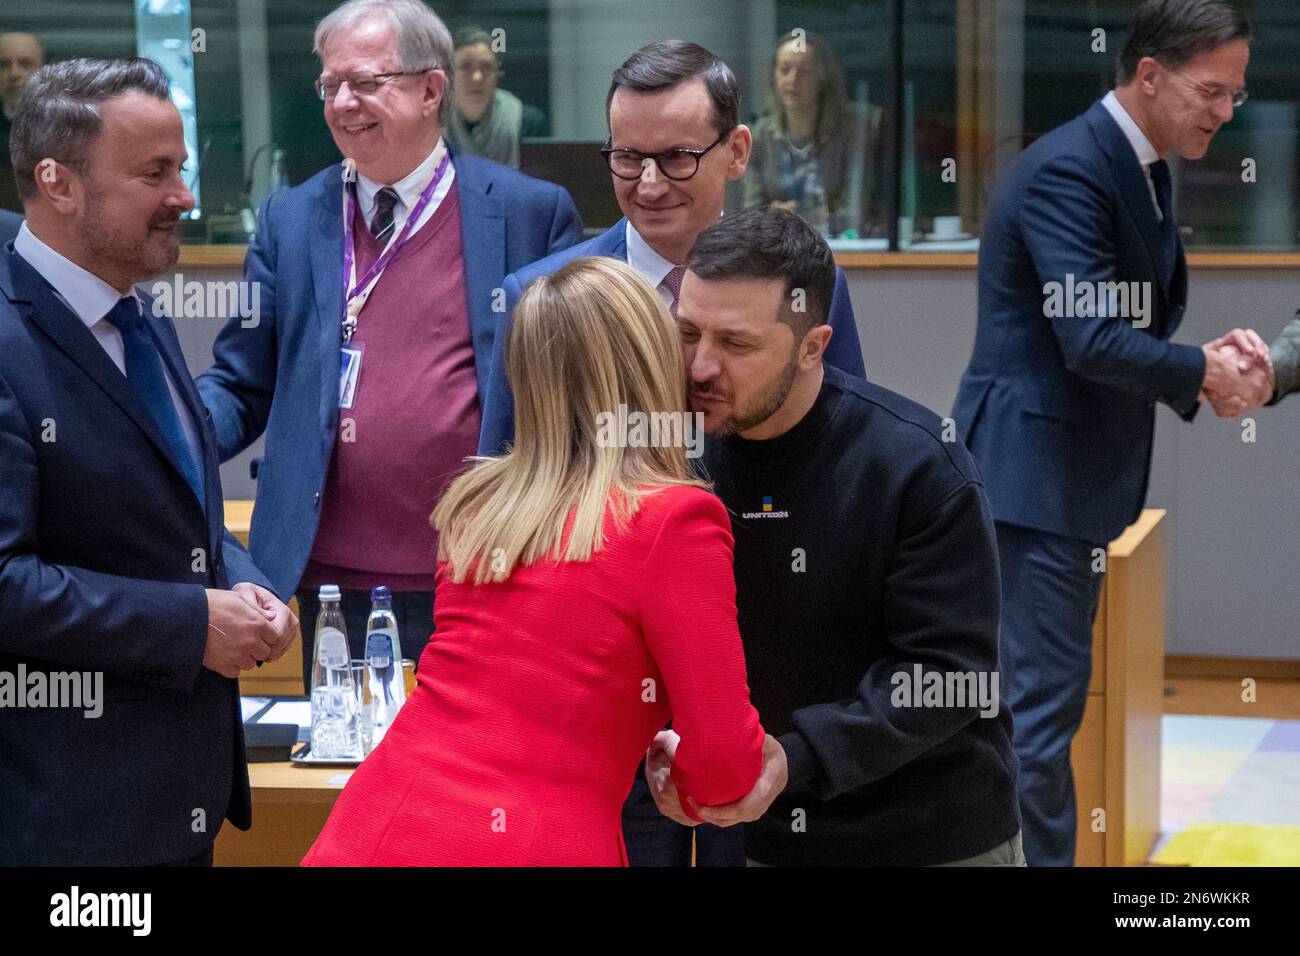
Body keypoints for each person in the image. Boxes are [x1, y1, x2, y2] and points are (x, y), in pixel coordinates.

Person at [302, 256, 766, 866]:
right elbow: (726, 771)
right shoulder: (675, 521)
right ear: (652, 366)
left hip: (375, 826)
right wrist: (684, 771)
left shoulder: (478, 505)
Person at [949, 0, 1270, 867]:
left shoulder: (1142, 164)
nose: (1223, 112)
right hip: (1034, 480)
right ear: (1150, 74)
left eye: (1236, 96)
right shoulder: (1071, 171)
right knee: (1036, 724)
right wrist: (1203, 370)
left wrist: (1206, 365)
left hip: (1064, 480)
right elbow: (1088, 336)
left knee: (1038, 715)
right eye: (1211, 91)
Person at [196, 0, 583, 685]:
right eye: (329, 85)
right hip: (327, 583)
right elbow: (240, 380)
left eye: (367, 82)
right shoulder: (290, 219)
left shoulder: (528, 213)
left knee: (473, 777)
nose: (343, 102)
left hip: (482, 570)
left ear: (432, 89)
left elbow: (572, 403)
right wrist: (165, 433)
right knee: (346, 783)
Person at [635, 207, 1022, 866]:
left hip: (932, 838)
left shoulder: (919, 466)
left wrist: (795, 757)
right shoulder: (674, 457)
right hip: (770, 836)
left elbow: (948, 676)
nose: (699, 367)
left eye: (735, 344)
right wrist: (671, 743)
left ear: (814, 346)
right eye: (687, 332)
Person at [0, 58, 297, 866]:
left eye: (183, 169)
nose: (186, 197)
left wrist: (246, 584)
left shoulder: (135, 308)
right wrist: (193, 623)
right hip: (65, 818)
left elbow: (180, 508)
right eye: (154, 173)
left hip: (175, 797)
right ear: (59, 183)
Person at [478, 39, 865, 460]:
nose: (650, 184)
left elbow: (846, 453)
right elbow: (508, 482)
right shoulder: (539, 298)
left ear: (736, 153)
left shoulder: (804, 287)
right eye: (628, 157)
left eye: (677, 157)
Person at [743, 30, 885, 238]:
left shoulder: (852, 132)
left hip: (839, 248)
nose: (793, 79)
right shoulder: (759, 136)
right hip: (777, 252)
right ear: (774, 76)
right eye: (784, 70)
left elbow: (855, 216)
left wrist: (789, 218)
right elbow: (749, 217)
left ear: (823, 78)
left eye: (805, 71)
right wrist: (780, 217)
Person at [445, 25, 546, 168]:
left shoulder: (528, 123)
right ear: (449, 74)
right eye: (465, 66)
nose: (477, 77)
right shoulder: (432, 123)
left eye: (486, 66)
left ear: (497, 73)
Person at [0, 32, 44, 213]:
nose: (14, 74)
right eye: (3, 65)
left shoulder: (65, 125)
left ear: (43, 70)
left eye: (25, 64)